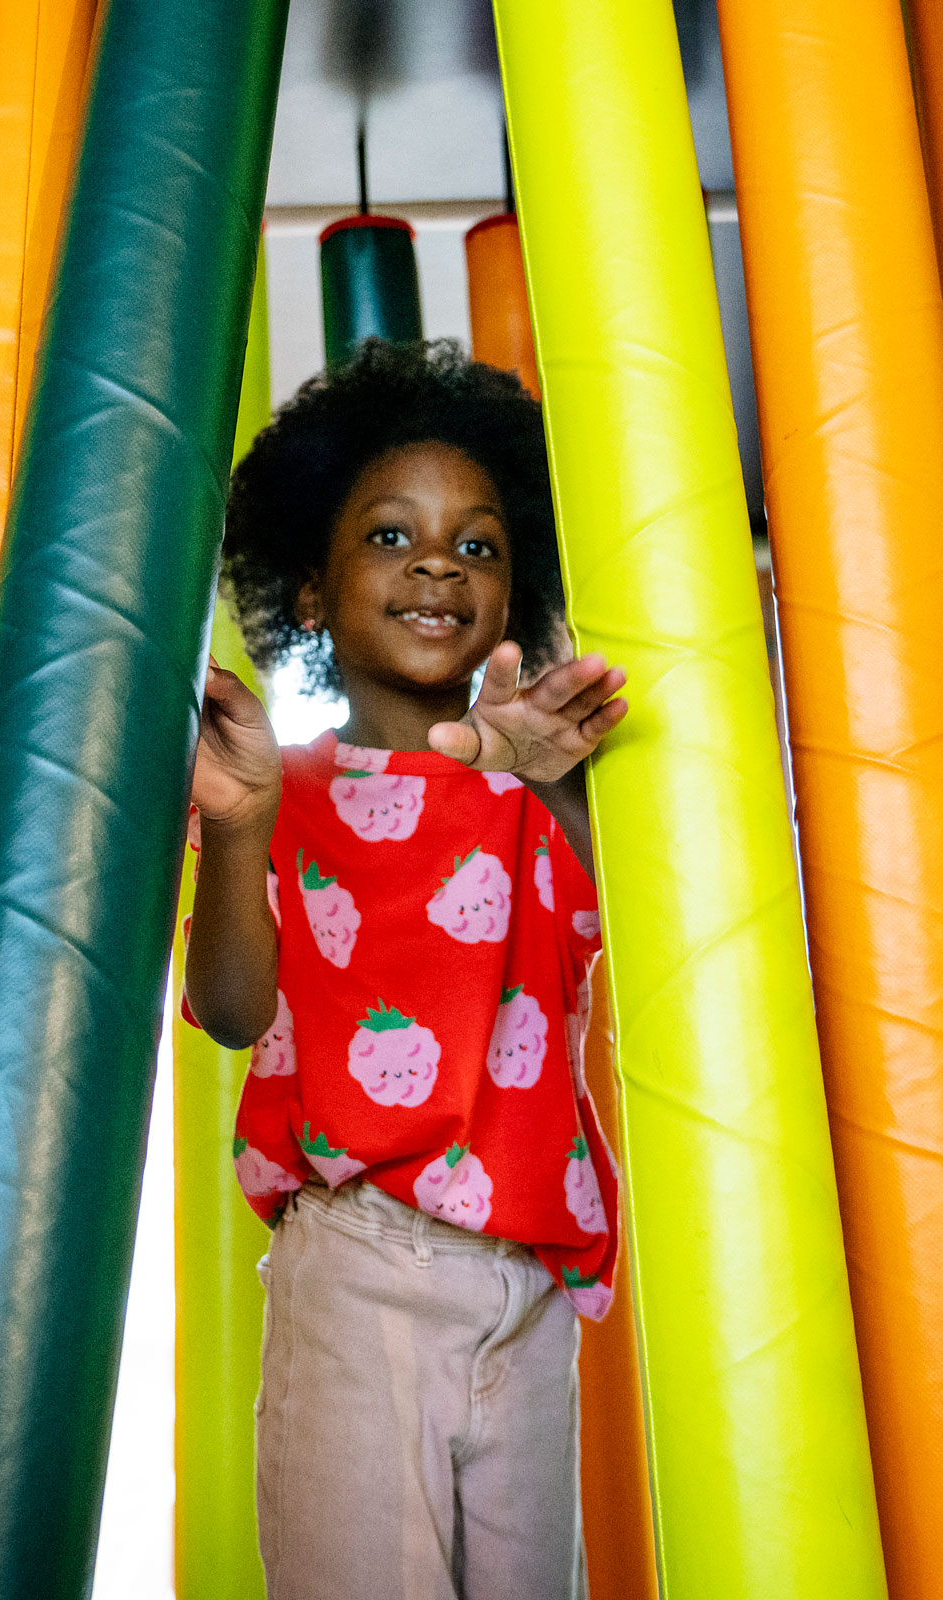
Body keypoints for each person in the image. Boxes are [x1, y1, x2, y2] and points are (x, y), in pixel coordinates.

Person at [185, 339, 629, 1600]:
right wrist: (238, 824)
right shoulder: (284, 786)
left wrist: (537, 773)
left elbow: (629, 933)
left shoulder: (544, 792)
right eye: (392, 534)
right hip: (362, 1264)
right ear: (312, 593)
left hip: (531, 1292)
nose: (440, 561)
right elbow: (229, 1008)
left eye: (479, 545)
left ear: (509, 591)